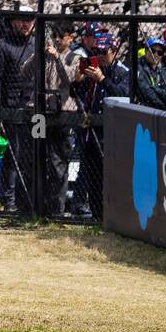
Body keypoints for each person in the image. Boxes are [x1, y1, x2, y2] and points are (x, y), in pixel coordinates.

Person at [71, 31, 129, 220]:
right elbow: (76, 94)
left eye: (104, 52)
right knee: (92, 177)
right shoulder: (92, 69)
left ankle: (113, 216)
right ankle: (97, 216)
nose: (100, 56)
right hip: (91, 131)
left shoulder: (122, 72)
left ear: (114, 51)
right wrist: (78, 79)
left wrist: (102, 80)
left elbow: (123, 94)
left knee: (111, 177)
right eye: (96, 51)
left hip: (113, 134)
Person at [23, 22, 77, 218]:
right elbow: (25, 72)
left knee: (58, 163)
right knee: (37, 158)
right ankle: (38, 206)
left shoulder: (74, 57)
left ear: (70, 37)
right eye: (53, 36)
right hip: (40, 113)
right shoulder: (43, 55)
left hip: (62, 114)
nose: (56, 40)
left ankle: (57, 209)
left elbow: (70, 79)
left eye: (60, 36)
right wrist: (40, 55)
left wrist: (58, 59)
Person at [0, 15, 37, 216]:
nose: (26, 24)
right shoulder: (0, 47)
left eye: (30, 21)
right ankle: (10, 202)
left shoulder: (36, 45)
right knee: (12, 158)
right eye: (21, 20)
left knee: (33, 157)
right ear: (13, 22)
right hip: (11, 112)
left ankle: (29, 201)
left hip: (34, 112)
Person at [135, 37, 166, 111]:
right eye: (153, 51)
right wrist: (164, 92)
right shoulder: (138, 66)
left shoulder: (165, 68)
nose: (156, 55)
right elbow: (146, 93)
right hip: (143, 110)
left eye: (160, 53)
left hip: (162, 112)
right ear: (146, 50)